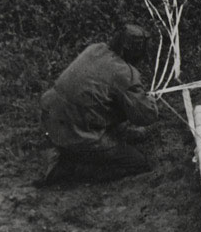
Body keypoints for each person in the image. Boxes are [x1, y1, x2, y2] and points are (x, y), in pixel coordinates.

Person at [37, 24, 160, 186]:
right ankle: (69, 170)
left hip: (50, 117)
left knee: (125, 128)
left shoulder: (95, 49)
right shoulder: (124, 73)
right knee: (138, 163)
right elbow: (145, 116)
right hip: (77, 130)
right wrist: (150, 101)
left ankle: (62, 148)